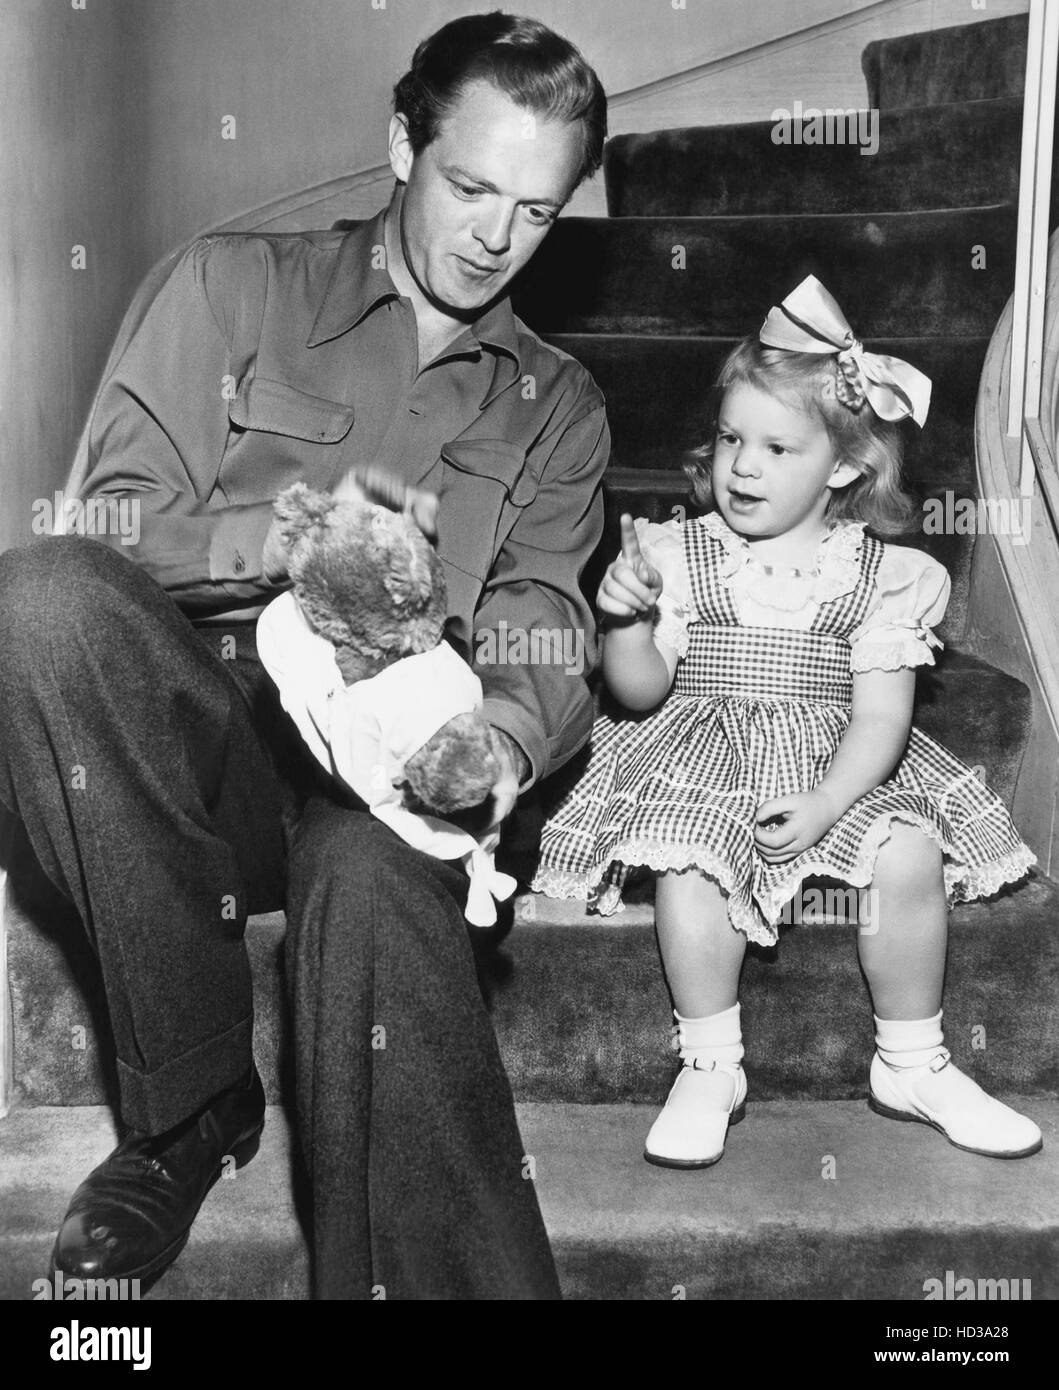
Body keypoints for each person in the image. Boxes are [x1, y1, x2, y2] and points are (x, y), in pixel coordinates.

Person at [0, 13, 609, 1298]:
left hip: (386, 761)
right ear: (402, 144)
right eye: (472, 185)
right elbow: (107, 522)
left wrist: (496, 737)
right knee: (40, 601)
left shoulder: (560, 404)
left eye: (540, 212)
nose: (498, 237)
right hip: (204, 741)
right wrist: (291, 537)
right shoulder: (232, 284)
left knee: (379, 875)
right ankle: (191, 1107)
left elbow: (545, 612)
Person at [532, 276, 1042, 1170]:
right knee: (690, 860)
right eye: (731, 438)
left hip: (835, 758)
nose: (741, 466)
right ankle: (709, 1063)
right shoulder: (675, 553)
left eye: (775, 447)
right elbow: (639, 693)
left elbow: (881, 718)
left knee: (905, 851)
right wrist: (621, 622)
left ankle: (912, 1060)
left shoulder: (879, 575)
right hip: (699, 757)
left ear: (842, 466)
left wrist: (827, 800)